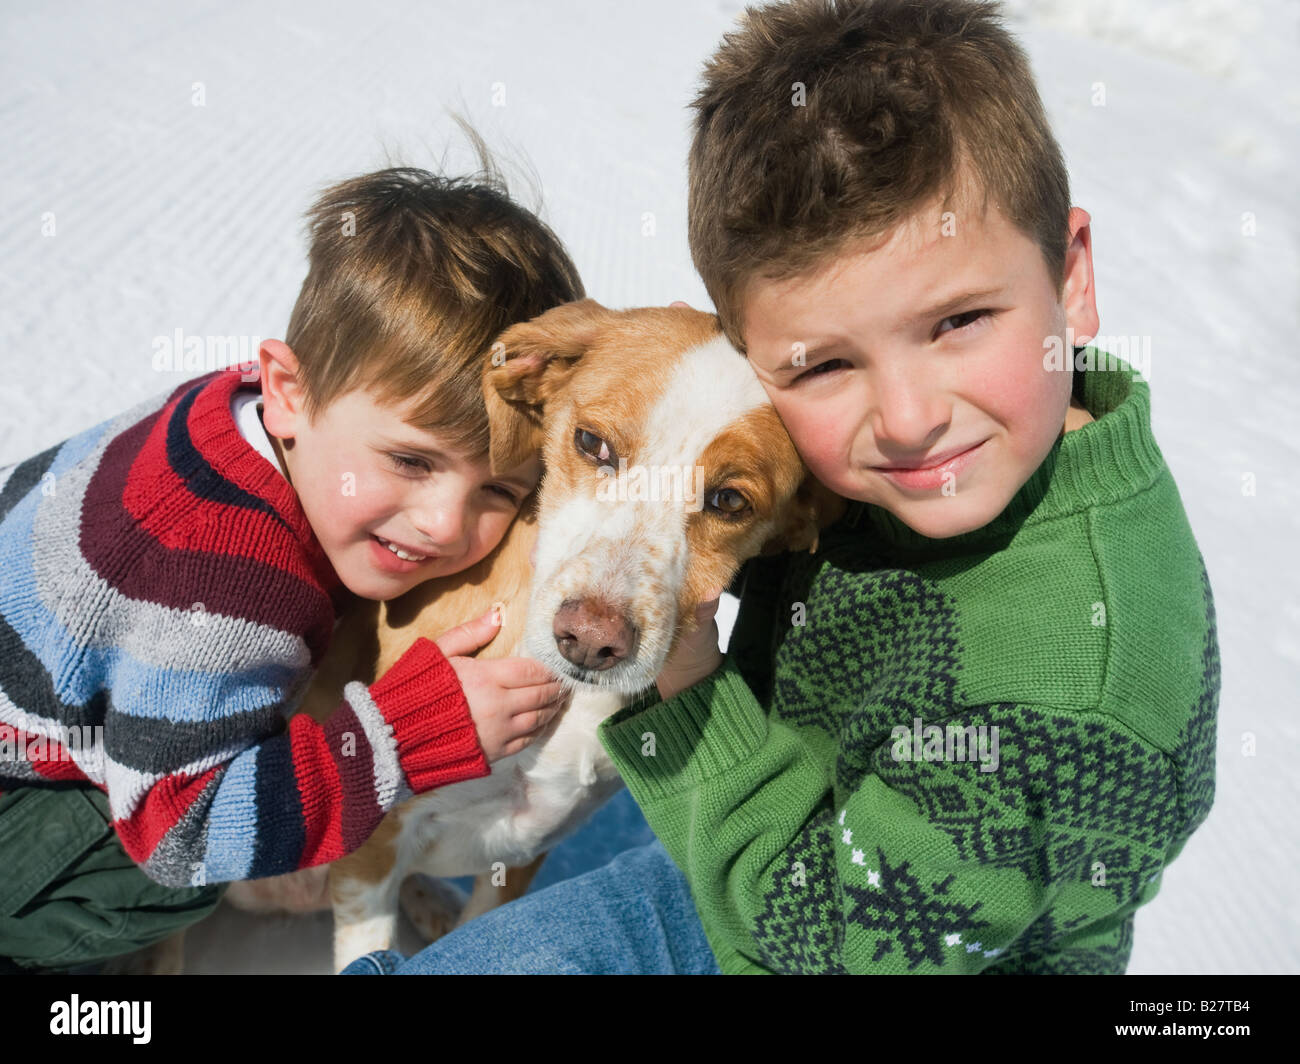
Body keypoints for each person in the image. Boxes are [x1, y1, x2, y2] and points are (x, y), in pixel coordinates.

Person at [341, 0, 1218, 975]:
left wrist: (683, 683)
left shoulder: (1067, 688)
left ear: (1072, 275)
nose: (907, 414)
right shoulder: (930, 463)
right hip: (772, 797)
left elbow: (823, 949)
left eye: (960, 319)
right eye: (823, 362)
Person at [0, 146, 585, 973]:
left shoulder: (250, 417)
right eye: (412, 462)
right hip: (18, 798)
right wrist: (406, 736)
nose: (446, 524)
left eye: (500, 491)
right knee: (179, 861)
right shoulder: (227, 580)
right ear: (288, 389)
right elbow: (181, 833)